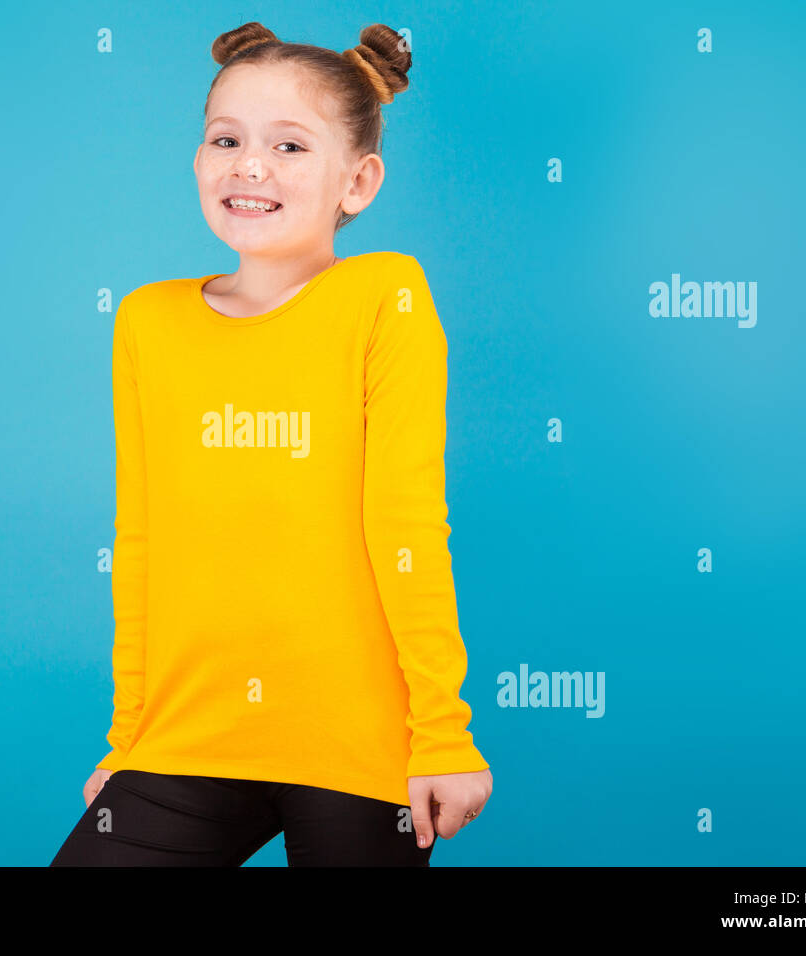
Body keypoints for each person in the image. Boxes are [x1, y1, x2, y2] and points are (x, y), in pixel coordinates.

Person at [51, 20, 492, 867]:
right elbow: (143, 542)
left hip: (359, 746)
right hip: (188, 738)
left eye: (289, 145)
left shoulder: (385, 297)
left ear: (357, 182)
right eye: (227, 140)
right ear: (197, 160)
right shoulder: (149, 318)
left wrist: (443, 730)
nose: (249, 165)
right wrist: (128, 738)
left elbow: (406, 524)